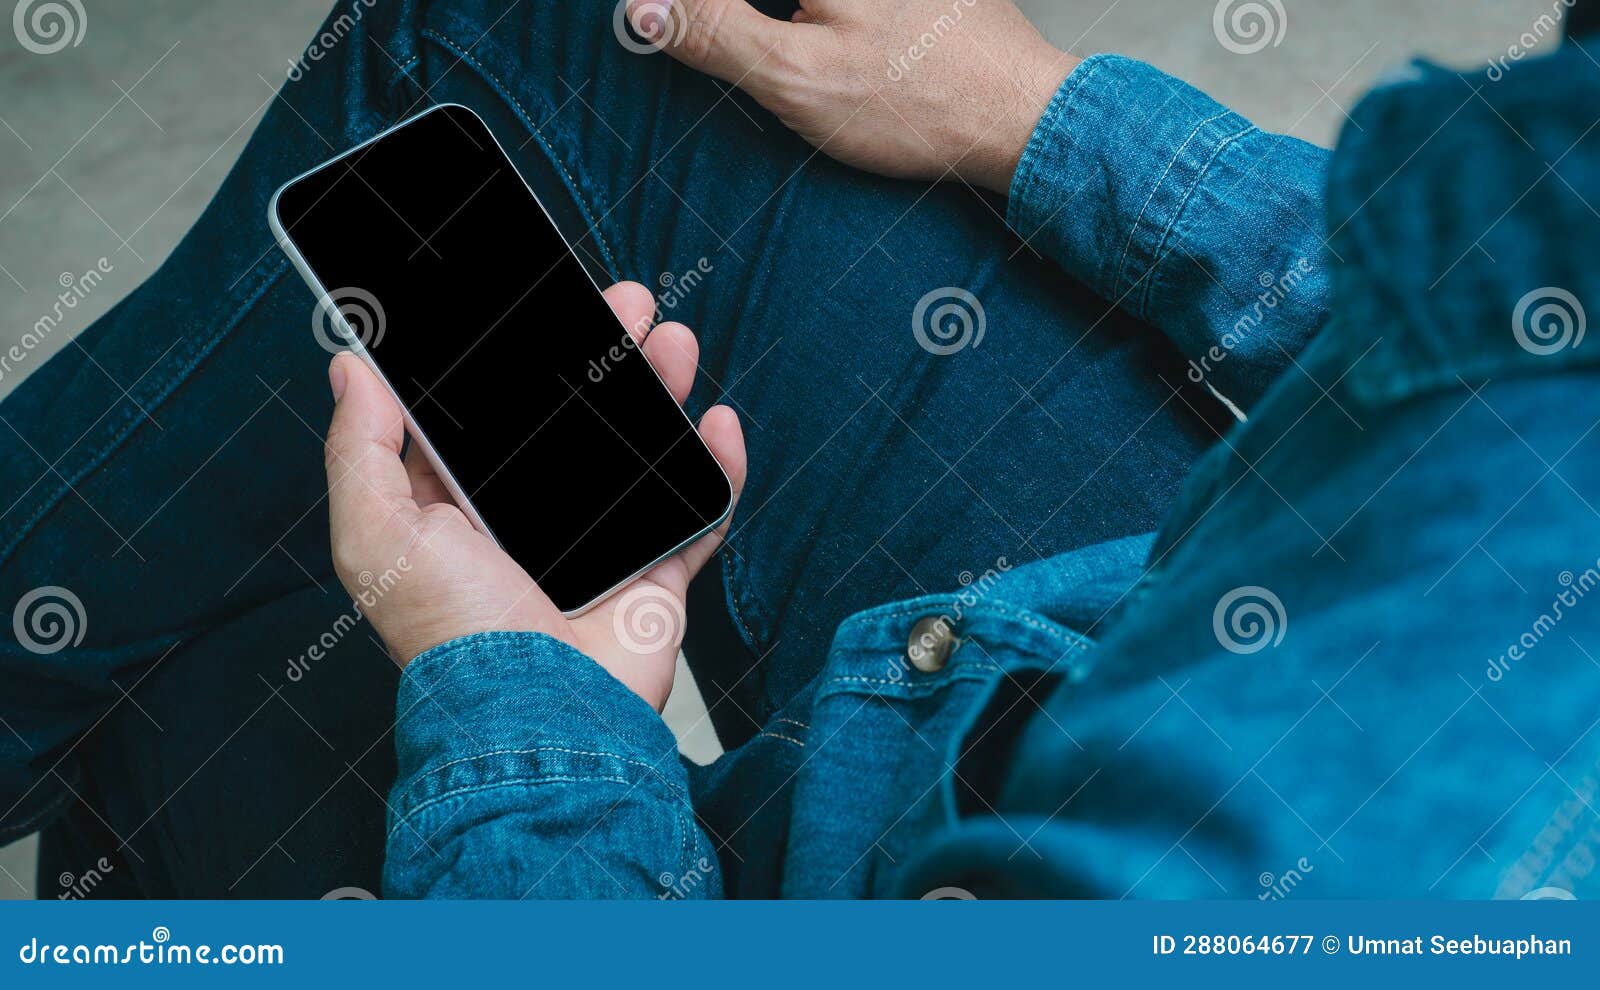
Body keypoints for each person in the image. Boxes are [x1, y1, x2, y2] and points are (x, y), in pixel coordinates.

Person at [1, 0, 1596, 899]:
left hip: (1174, 841)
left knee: (258, 707)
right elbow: (1529, 289)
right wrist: (1043, 115)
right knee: (530, 44)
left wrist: (529, 709)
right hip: (1164, 608)